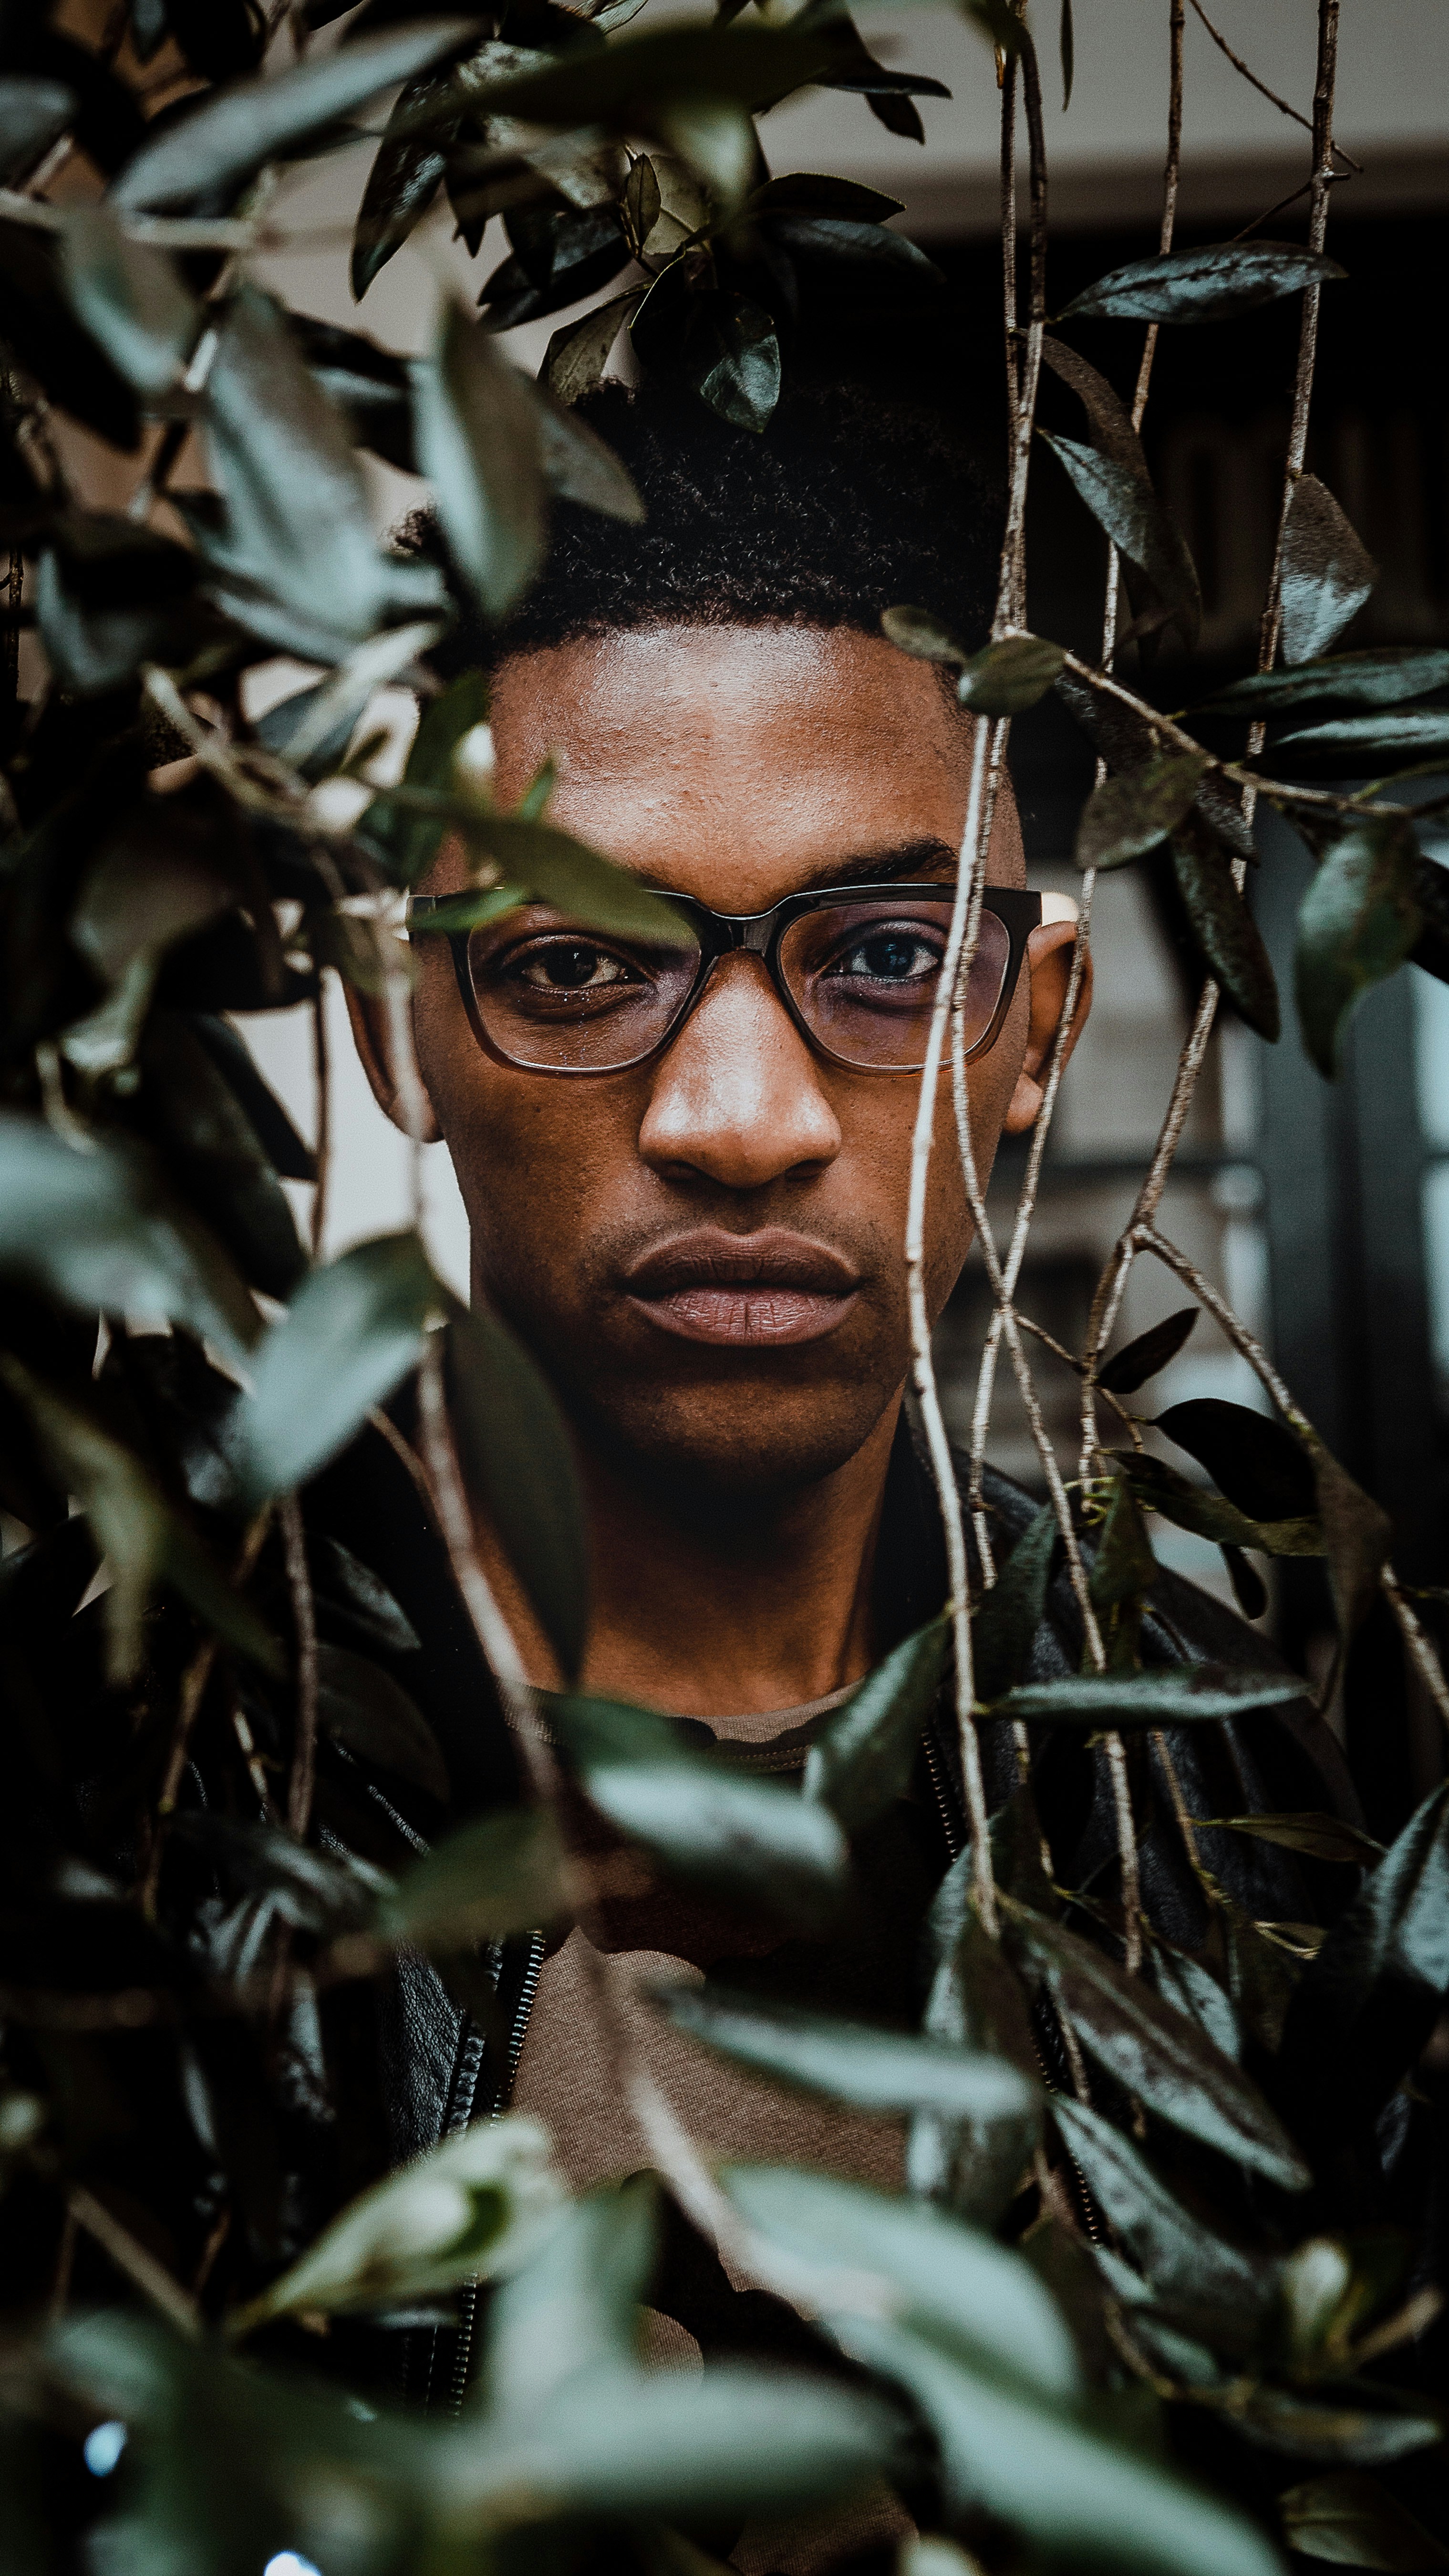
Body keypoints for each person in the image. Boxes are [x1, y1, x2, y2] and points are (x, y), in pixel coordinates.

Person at [327, 380, 1356, 2435]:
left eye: (886, 954)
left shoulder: (1208, 1780)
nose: (741, 1119)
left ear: (1034, 1033)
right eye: (571, 968)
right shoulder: (154, 1774)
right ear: (399, 1031)